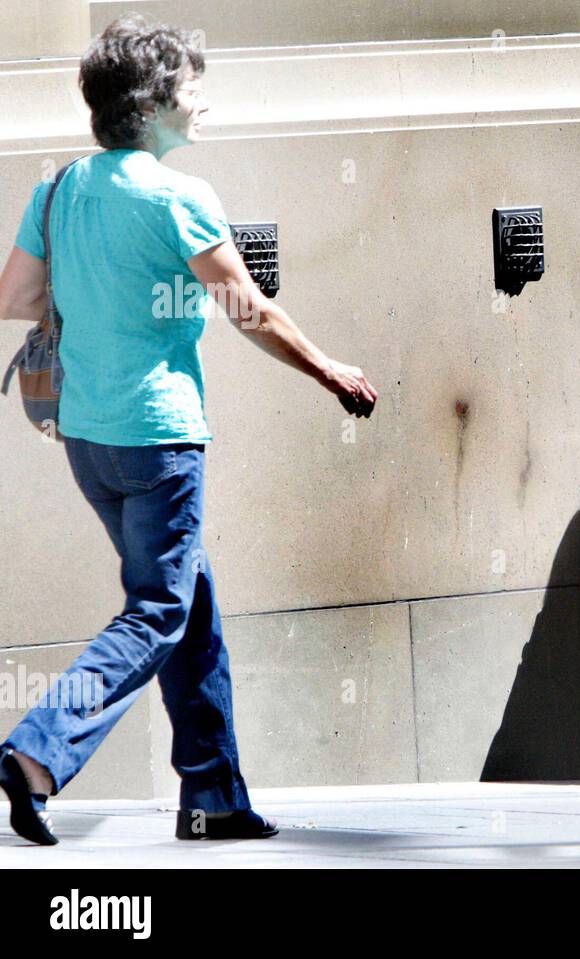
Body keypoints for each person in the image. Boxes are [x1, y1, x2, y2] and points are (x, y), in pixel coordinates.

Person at [0, 15, 377, 845]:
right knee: (158, 610)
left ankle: (212, 796)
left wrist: (97, 289)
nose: (201, 100)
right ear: (154, 103)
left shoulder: (57, 188)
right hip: (159, 439)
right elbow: (249, 308)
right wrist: (330, 370)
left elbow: (18, 299)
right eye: (190, 87)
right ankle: (35, 752)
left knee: (189, 608)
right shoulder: (180, 197)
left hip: (88, 441)